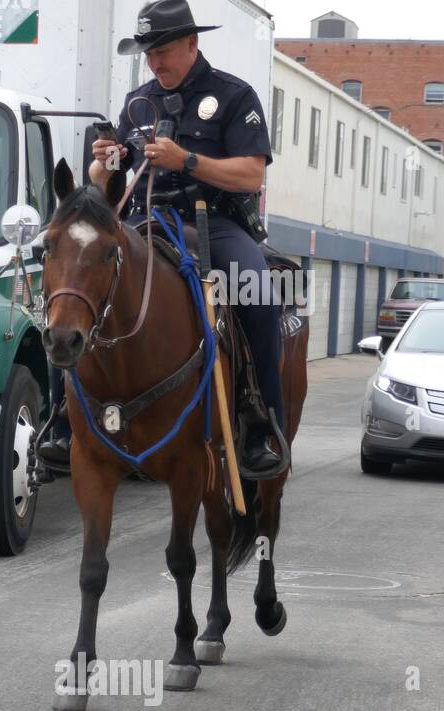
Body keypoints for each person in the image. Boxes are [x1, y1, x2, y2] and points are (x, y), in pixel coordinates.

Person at [38, 0, 285, 476]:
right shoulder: (137, 103)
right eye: (149, 53)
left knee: (258, 293)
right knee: (75, 281)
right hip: (144, 223)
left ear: (192, 43)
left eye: (164, 50)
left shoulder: (234, 96)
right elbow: (108, 182)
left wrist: (187, 161)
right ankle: (64, 419)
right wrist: (104, 160)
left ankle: (258, 423)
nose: (155, 62)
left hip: (215, 223)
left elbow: (252, 174)